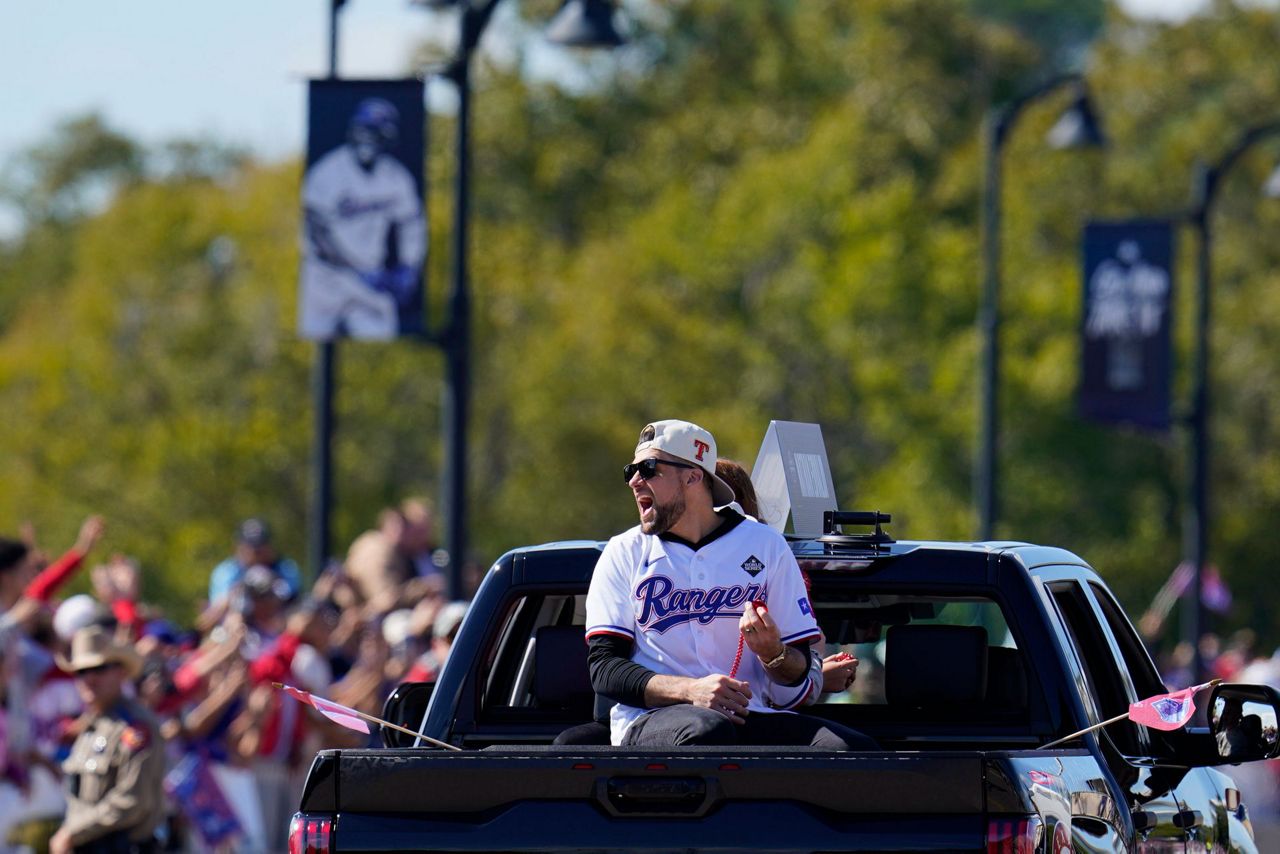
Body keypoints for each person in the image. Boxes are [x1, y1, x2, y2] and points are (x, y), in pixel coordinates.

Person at [584, 419, 875, 749]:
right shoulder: (624, 552)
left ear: (694, 475)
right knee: (708, 731)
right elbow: (605, 669)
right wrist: (690, 691)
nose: (635, 481)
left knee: (852, 751)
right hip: (651, 719)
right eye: (630, 471)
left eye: (648, 468)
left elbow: (795, 681)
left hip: (750, 715)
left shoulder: (765, 545)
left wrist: (774, 653)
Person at [300, 97, 425, 339]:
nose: (367, 137)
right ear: (353, 131)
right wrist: (359, 270)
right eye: (364, 129)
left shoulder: (396, 177)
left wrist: (409, 267)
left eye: (376, 132)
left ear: (388, 137)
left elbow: (411, 224)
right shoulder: (328, 172)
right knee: (312, 347)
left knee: (382, 347)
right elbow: (317, 233)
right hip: (326, 278)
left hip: (370, 279)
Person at [49, 626, 165, 854]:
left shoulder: (134, 727)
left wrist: (71, 832)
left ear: (121, 672)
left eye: (99, 668)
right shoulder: (91, 725)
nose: (89, 678)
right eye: (81, 671)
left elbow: (133, 801)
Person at [207, 519, 302, 609]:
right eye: (251, 546)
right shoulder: (226, 571)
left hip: (278, 621)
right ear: (238, 546)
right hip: (238, 622)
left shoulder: (285, 567)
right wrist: (243, 587)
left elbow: (291, 598)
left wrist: (268, 582)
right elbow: (218, 606)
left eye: (261, 545)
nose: (256, 551)